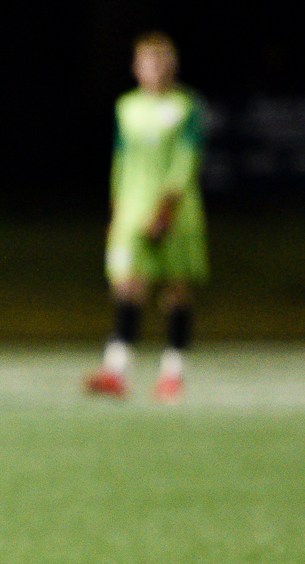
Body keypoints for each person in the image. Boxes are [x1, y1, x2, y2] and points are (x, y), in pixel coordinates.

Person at [85, 32, 204, 402]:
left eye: (161, 61)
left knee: (175, 291)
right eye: (147, 62)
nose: (154, 69)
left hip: (174, 213)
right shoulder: (126, 107)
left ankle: (173, 373)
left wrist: (167, 207)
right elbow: (121, 162)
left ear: (173, 66)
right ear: (136, 68)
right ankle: (117, 370)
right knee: (126, 287)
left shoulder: (187, 107)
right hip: (132, 213)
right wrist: (117, 210)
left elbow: (187, 160)